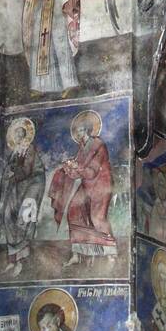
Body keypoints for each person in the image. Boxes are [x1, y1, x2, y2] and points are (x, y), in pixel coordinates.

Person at [49, 110, 116, 267]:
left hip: (101, 186)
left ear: (87, 130)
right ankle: (77, 254)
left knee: (97, 218)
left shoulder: (99, 145)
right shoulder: (82, 147)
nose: (78, 134)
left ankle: (110, 255)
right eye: (77, 131)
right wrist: (68, 168)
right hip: (87, 185)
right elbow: (78, 171)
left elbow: (92, 170)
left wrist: (77, 167)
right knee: (74, 211)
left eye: (80, 130)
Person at [0, 117, 46, 278]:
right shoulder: (15, 152)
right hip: (17, 188)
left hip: (30, 188)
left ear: (25, 136)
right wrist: (9, 174)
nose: (18, 137)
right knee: (7, 216)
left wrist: (12, 174)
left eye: (20, 134)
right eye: (15, 134)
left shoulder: (29, 149)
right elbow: (10, 170)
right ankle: (12, 261)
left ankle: (21, 262)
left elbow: (27, 171)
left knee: (22, 220)